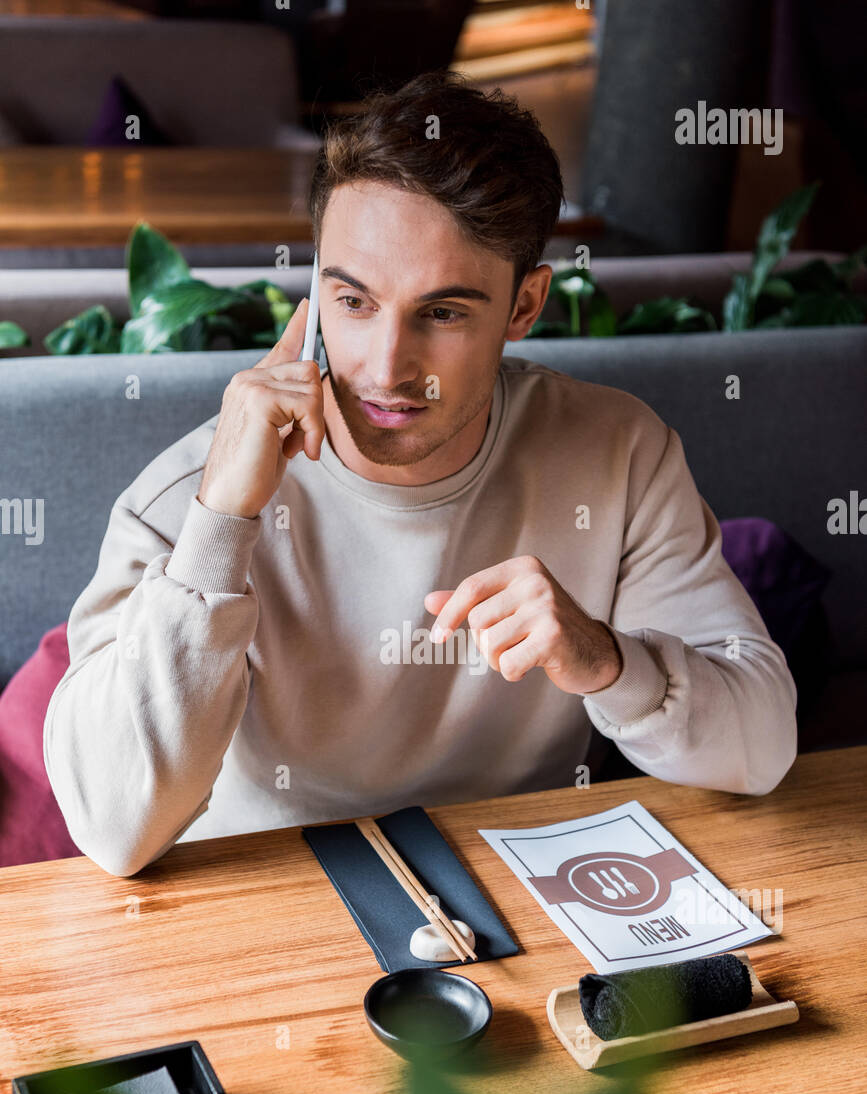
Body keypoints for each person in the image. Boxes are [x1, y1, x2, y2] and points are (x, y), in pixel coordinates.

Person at [44, 72, 797, 878]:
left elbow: (760, 752)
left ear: (523, 306)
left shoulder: (619, 451)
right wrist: (221, 520)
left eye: (442, 313)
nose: (386, 367)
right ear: (315, 293)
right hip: (264, 903)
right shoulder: (188, 494)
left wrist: (607, 660)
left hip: (525, 895)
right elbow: (113, 828)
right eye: (354, 302)